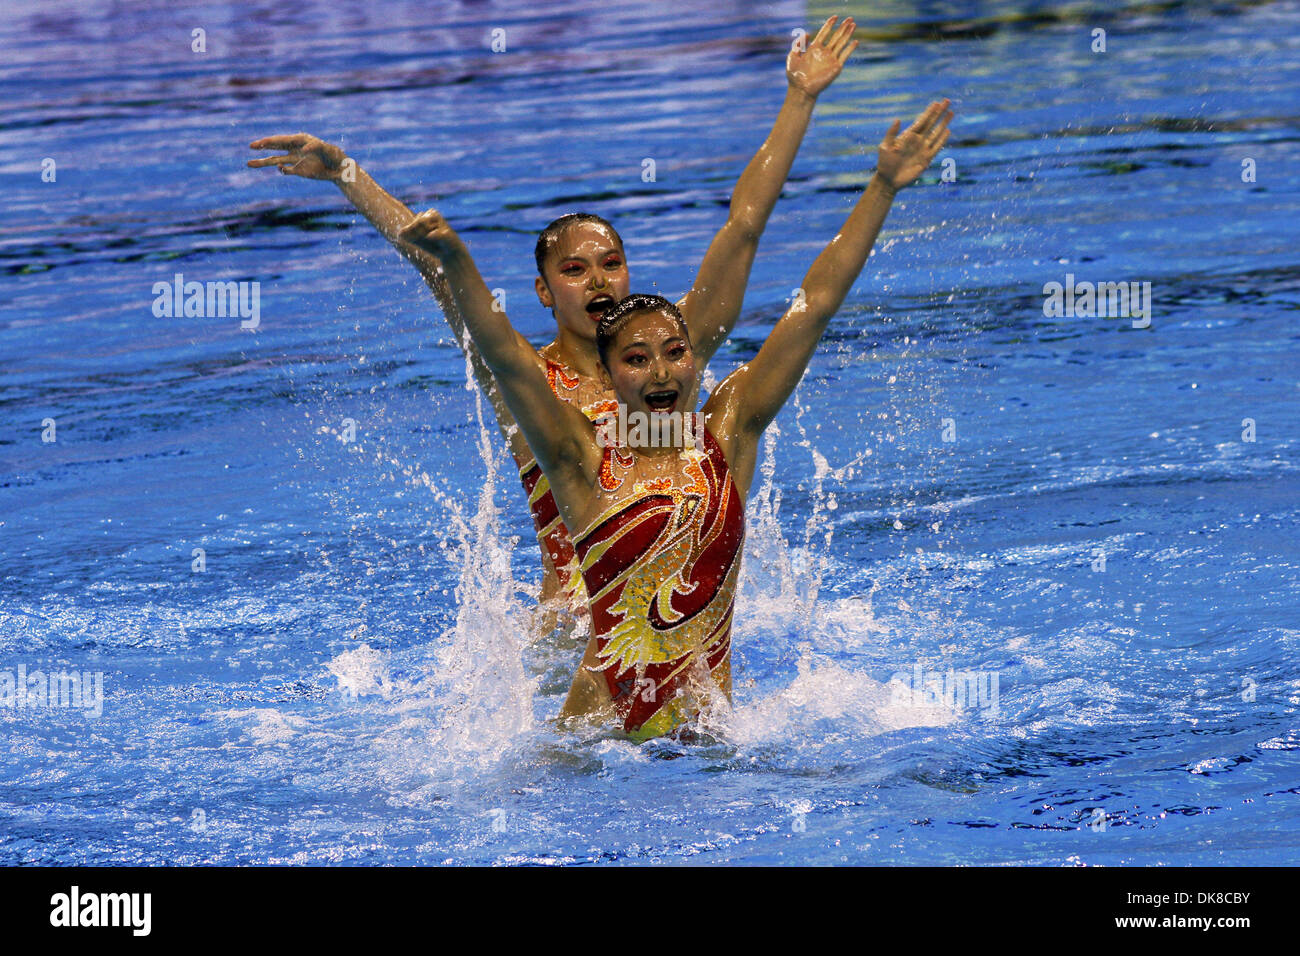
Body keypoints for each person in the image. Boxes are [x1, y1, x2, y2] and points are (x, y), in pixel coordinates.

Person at [247, 17, 860, 633]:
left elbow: (743, 229)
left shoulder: (672, 350)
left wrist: (799, 99)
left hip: (678, 618)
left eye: (611, 264)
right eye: (574, 269)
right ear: (542, 291)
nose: (598, 280)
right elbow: (436, 266)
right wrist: (346, 173)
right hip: (575, 634)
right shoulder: (528, 379)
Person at [398, 100, 954, 740]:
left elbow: (814, 306)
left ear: (696, 358)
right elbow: (502, 354)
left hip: (711, 736)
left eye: (675, 352)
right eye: (636, 359)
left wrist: (881, 187)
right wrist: (457, 260)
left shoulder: (729, 432)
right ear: (612, 373)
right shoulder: (582, 460)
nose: (661, 372)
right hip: (594, 747)